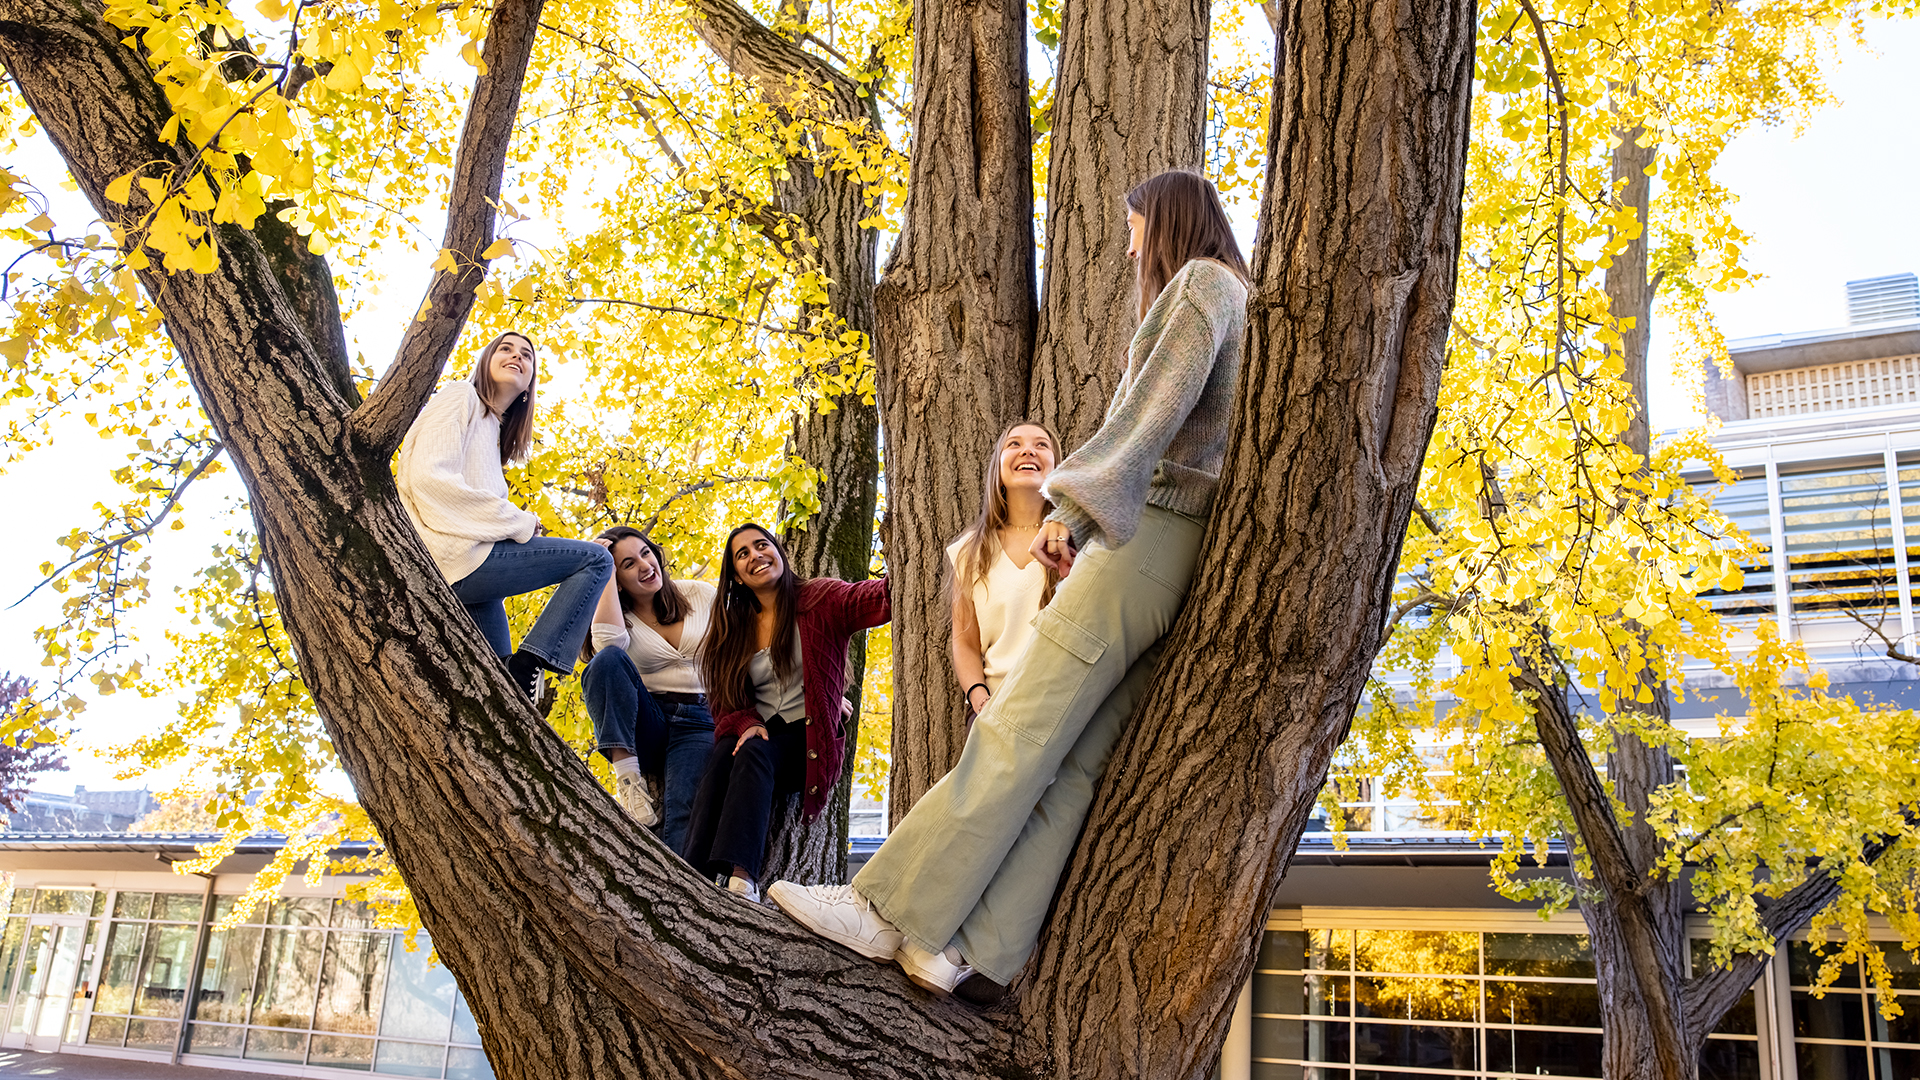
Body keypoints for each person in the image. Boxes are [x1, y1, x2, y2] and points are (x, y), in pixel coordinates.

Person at [769, 170, 1251, 1001]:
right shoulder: (1240, 296)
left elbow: (1153, 411)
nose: (1129, 242)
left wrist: (1071, 507)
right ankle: (972, 954)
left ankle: (885, 908)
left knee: (1020, 730)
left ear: (1167, 220)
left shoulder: (1203, 282)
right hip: (1181, 559)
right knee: (1074, 770)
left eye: (1134, 225)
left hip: (1149, 535)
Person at [395, 331, 612, 701]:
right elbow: (429, 479)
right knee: (595, 560)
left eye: (526, 355)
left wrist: (512, 529)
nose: (516, 356)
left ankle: (516, 679)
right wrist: (519, 522)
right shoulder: (460, 396)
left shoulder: (492, 431)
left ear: (529, 382)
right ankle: (534, 660)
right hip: (454, 558)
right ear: (486, 360)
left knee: (505, 690)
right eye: (505, 348)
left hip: (471, 572)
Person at [680, 524, 890, 903]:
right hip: (759, 737)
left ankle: (743, 880)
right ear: (736, 576)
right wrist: (746, 723)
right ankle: (690, 873)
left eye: (761, 545)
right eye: (742, 554)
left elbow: (877, 599)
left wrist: (902, 559)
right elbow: (724, 702)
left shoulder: (821, 598)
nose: (755, 555)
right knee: (726, 753)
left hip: (803, 742)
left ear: (778, 551)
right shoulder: (733, 628)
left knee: (753, 750)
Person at [581, 526, 716, 851]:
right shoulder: (616, 616)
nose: (644, 565)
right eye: (627, 564)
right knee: (607, 660)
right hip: (648, 721)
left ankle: (683, 894)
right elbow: (609, 647)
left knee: (686, 812)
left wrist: (806, 691)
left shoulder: (699, 594)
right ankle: (628, 778)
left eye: (645, 553)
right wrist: (602, 570)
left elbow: (753, 647)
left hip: (699, 720)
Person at [948, 421, 1060, 722]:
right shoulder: (969, 551)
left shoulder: (1074, 538)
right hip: (996, 713)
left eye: (1041, 445)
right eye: (1014, 444)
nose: (1027, 450)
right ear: (998, 469)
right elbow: (965, 642)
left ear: (1056, 467)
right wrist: (980, 700)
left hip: (1065, 708)